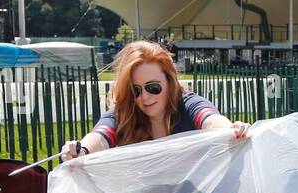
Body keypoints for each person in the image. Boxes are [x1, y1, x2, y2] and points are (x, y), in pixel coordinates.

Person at [60, 40, 247, 161]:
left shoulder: (187, 103)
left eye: (153, 87)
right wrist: (81, 151)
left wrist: (230, 130)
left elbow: (208, 118)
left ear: (170, 81)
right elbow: (101, 135)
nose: (145, 96)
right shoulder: (125, 112)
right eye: (136, 90)